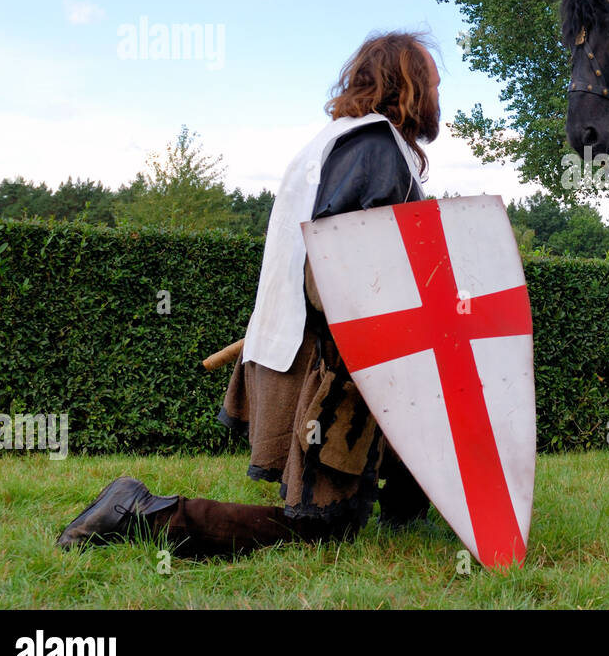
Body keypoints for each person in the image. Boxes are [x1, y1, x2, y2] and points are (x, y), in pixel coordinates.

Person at [57, 31, 443, 557]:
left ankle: (405, 513)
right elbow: (341, 269)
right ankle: (141, 512)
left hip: (308, 344)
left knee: (415, 422)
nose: (439, 90)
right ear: (410, 84)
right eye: (434, 79)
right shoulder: (372, 147)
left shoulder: (341, 139)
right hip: (327, 366)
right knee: (321, 531)